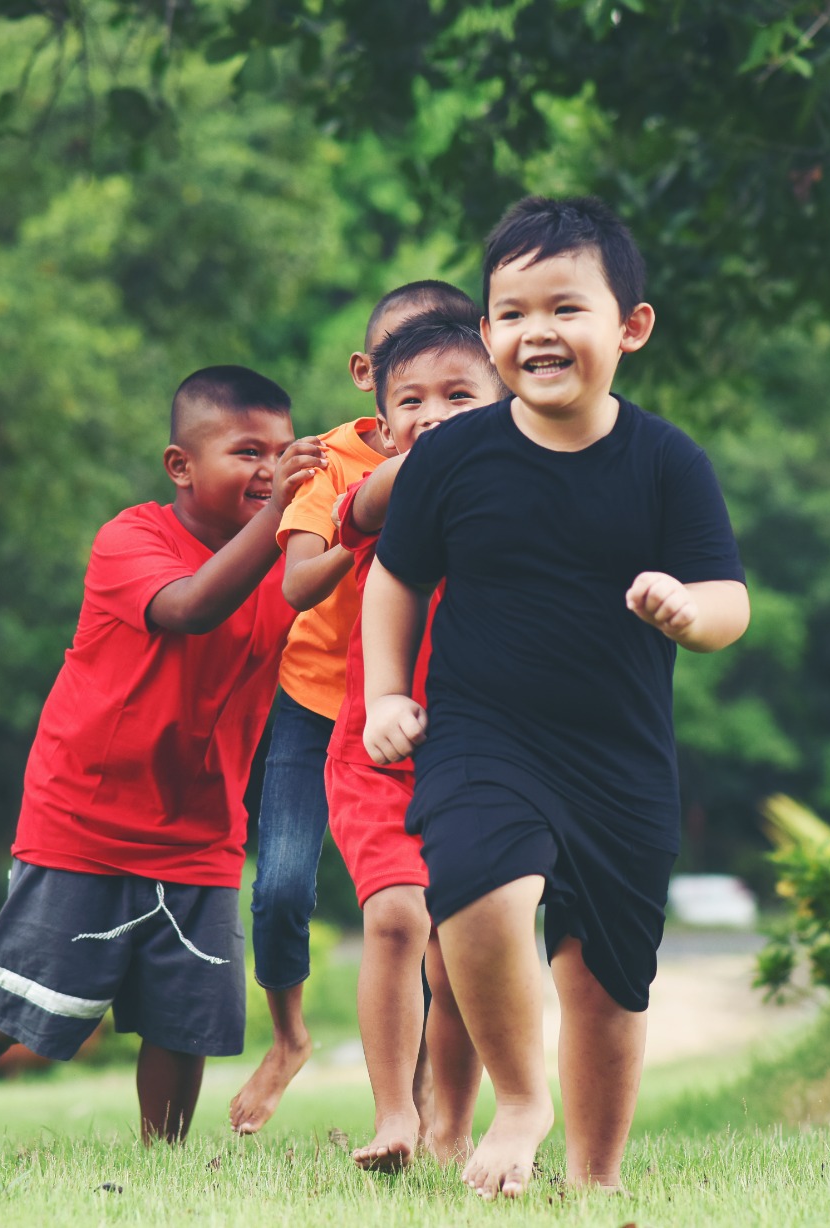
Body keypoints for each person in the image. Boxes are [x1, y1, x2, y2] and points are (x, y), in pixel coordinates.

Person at [359, 196, 751, 1197]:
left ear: (629, 326)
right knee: (478, 883)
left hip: (619, 753)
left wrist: (684, 609)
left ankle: (597, 1178)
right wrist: (385, 695)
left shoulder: (666, 462)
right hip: (481, 732)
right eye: (510, 311)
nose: (535, 330)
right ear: (489, 334)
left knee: (606, 981)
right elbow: (393, 579)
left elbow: (728, 600)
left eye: (564, 307)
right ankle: (520, 1099)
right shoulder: (451, 456)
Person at [0, 366, 326, 1145]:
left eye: (282, 452)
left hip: (204, 819)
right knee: (50, 977)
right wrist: (279, 513)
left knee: (188, 1004)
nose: (270, 470)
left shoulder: (289, 565)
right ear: (181, 467)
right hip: (88, 808)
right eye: (247, 451)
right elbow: (191, 607)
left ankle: (161, 1154)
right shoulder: (130, 539)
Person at [229, 281, 481, 1135]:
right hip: (319, 704)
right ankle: (292, 1037)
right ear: (370, 377)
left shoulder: (491, 457)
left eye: (457, 381)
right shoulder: (334, 464)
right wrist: (370, 521)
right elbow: (296, 582)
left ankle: (424, 1098)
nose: (432, 402)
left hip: (434, 707)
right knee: (284, 889)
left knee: (433, 918)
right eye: (409, 382)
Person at [319, 311, 503, 1170]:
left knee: (461, 944)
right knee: (396, 918)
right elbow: (361, 505)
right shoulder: (385, 488)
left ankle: (452, 1124)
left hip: (478, 755)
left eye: (458, 396)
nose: (432, 414)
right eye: (412, 401)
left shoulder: (521, 494)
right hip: (377, 754)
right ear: (385, 422)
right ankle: (395, 1114)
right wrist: (425, 453)